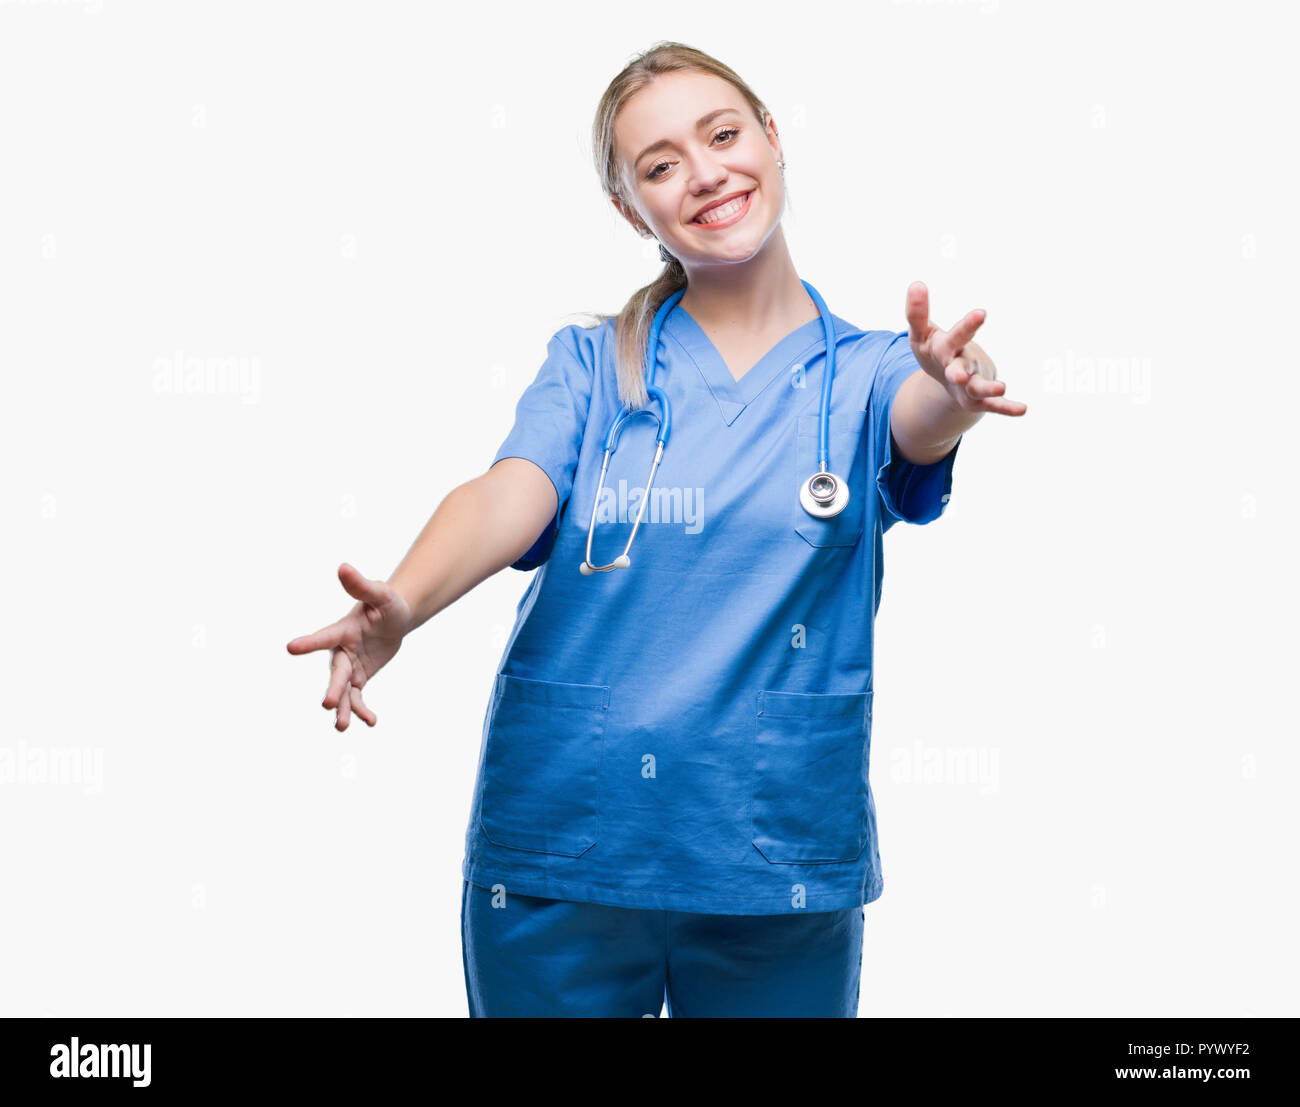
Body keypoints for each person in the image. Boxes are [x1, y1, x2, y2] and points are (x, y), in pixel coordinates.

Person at [286, 41, 1026, 1018]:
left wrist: (954, 386)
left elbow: (924, 419)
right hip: (563, 844)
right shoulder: (591, 366)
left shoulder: (870, 374)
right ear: (629, 208)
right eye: (660, 164)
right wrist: (406, 602)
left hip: (776, 861)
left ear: (771, 136)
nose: (705, 172)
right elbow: (508, 493)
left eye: (722, 135)